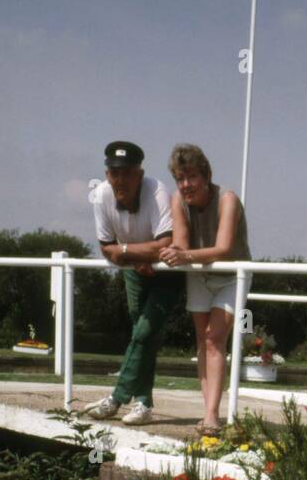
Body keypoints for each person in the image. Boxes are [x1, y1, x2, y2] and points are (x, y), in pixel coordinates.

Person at [86, 141, 184, 426]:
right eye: (115, 174)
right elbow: (106, 248)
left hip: (167, 272)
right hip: (133, 271)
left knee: (143, 332)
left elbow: (165, 243)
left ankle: (116, 398)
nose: (120, 180)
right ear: (107, 175)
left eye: (127, 173)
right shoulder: (102, 195)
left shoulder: (156, 191)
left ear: (139, 174)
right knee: (144, 335)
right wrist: (137, 256)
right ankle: (143, 403)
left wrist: (128, 252)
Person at [159, 144, 251, 435]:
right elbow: (182, 244)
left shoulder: (228, 200)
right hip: (199, 274)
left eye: (192, 177)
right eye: (180, 178)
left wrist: (184, 256)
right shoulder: (178, 200)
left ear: (206, 176)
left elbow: (223, 249)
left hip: (231, 274)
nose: (185, 185)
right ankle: (208, 410)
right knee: (202, 342)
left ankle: (211, 416)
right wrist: (172, 252)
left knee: (215, 340)